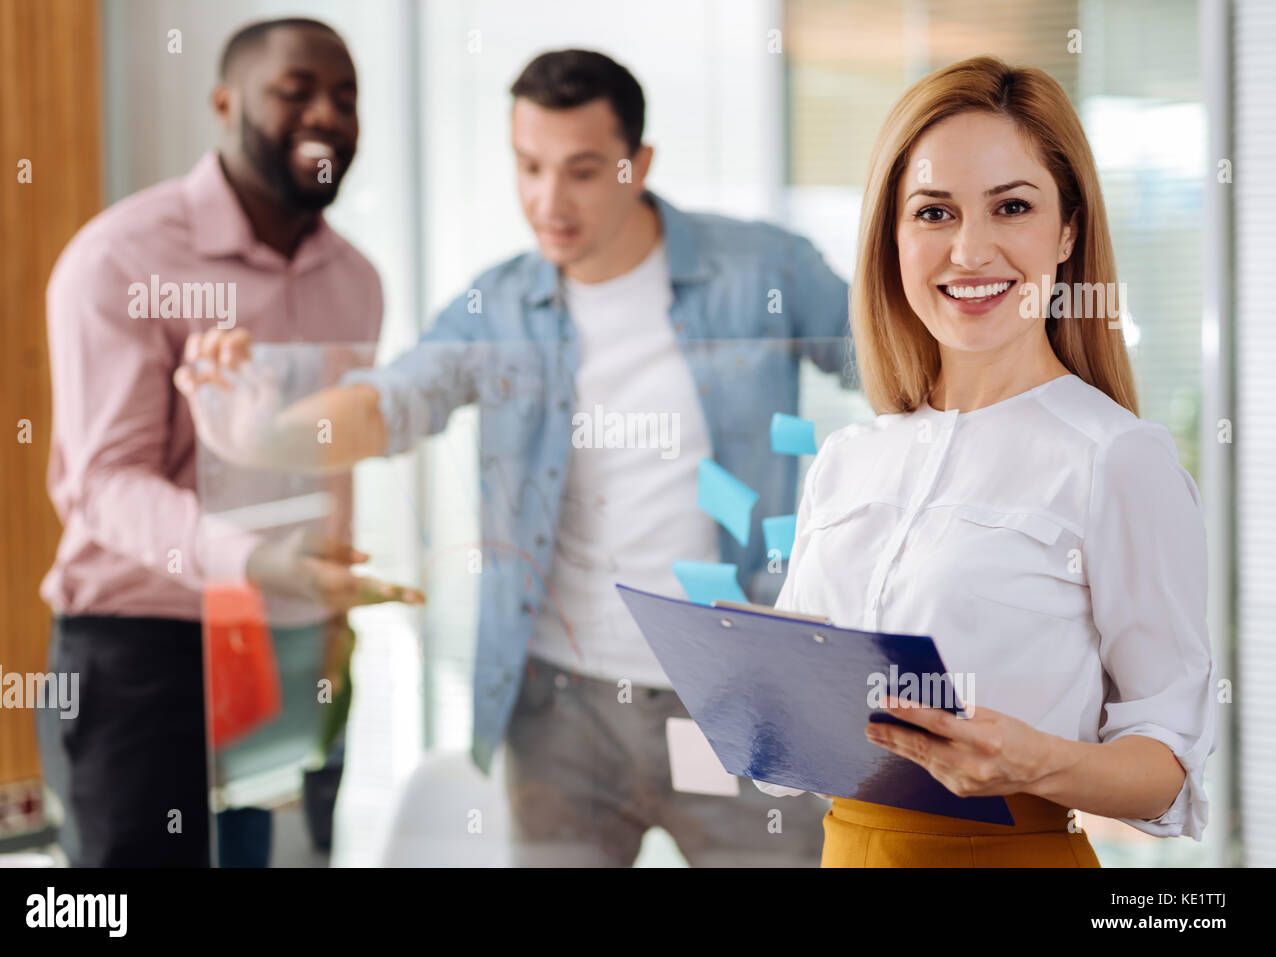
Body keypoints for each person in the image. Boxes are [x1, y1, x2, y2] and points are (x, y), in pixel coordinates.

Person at [176, 49, 855, 867]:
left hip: (737, 692)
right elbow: (391, 401)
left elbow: (894, 363)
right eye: (528, 167)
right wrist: (268, 433)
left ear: (637, 165)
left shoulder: (765, 269)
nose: (547, 202)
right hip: (557, 706)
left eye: (579, 171)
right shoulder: (494, 305)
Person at [758, 55, 1218, 867]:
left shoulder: (1116, 458)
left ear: (1068, 230)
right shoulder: (848, 458)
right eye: (933, 212)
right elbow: (784, 746)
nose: (971, 251)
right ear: (892, 236)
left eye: (1011, 207)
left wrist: (1036, 761)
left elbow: (1167, 766)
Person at [37, 17, 398, 867]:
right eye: (295, 91)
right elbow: (104, 483)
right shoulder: (120, 257)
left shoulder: (357, 280)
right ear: (224, 103)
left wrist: (330, 616)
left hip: (299, 639)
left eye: (346, 97)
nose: (328, 115)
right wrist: (250, 560)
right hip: (145, 648)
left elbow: (325, 461)